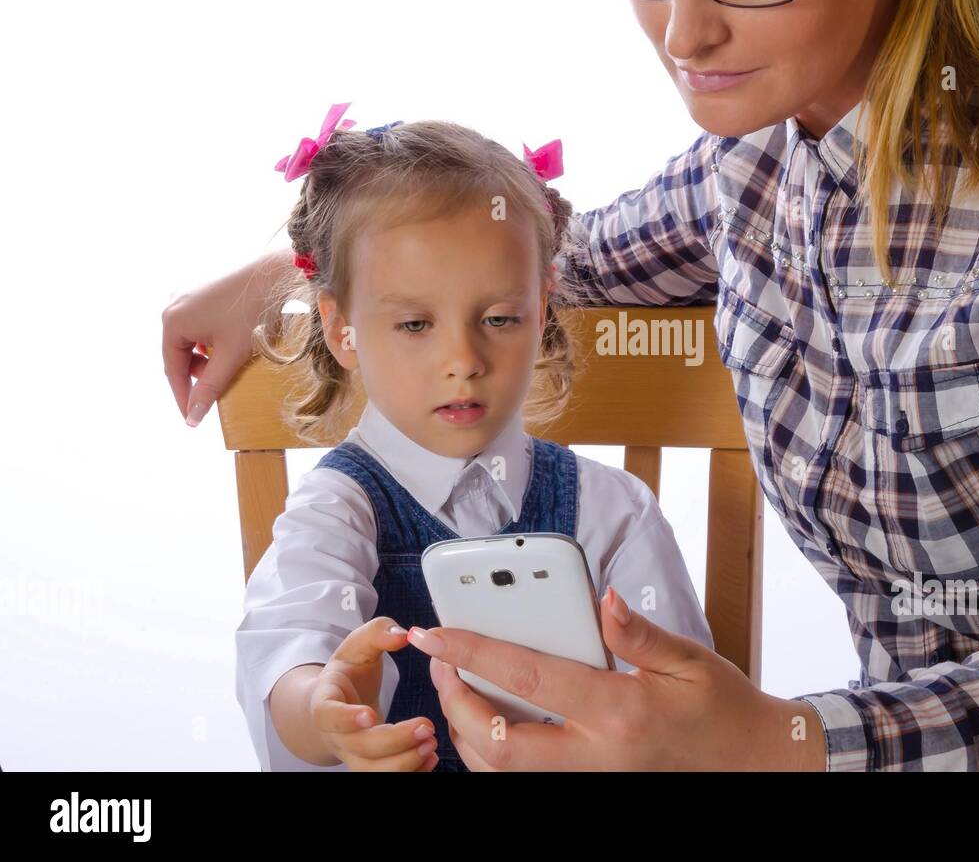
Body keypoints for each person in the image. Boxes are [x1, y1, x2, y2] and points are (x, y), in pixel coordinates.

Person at [165, 0, 979, 770]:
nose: (682, 30)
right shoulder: (762, 156)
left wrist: (772, 742)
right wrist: (301, 267)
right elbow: (554, 252)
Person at [234, 112, 713, 771]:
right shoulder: (337, 510)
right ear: (342, 329)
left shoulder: (615, 513)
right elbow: (288, 646)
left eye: (499, 317)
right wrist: (322, 704)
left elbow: (691, 727)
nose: (463, 357)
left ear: (542, 308)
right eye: (413, 323)